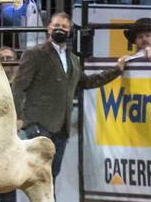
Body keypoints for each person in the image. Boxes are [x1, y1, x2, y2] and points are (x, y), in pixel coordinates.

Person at [11, 12, 138, 178]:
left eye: (64, 26)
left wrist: (116, 70)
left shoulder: (73, 59)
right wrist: (22, 121)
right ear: (49, 28)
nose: (60, 29)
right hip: (38, 126)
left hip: (61, 129)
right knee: (38, 177)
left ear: (70, 30)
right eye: (56, 26)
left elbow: (88, 82)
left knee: (52, 175)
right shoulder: (35, 54)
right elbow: (18, 87)